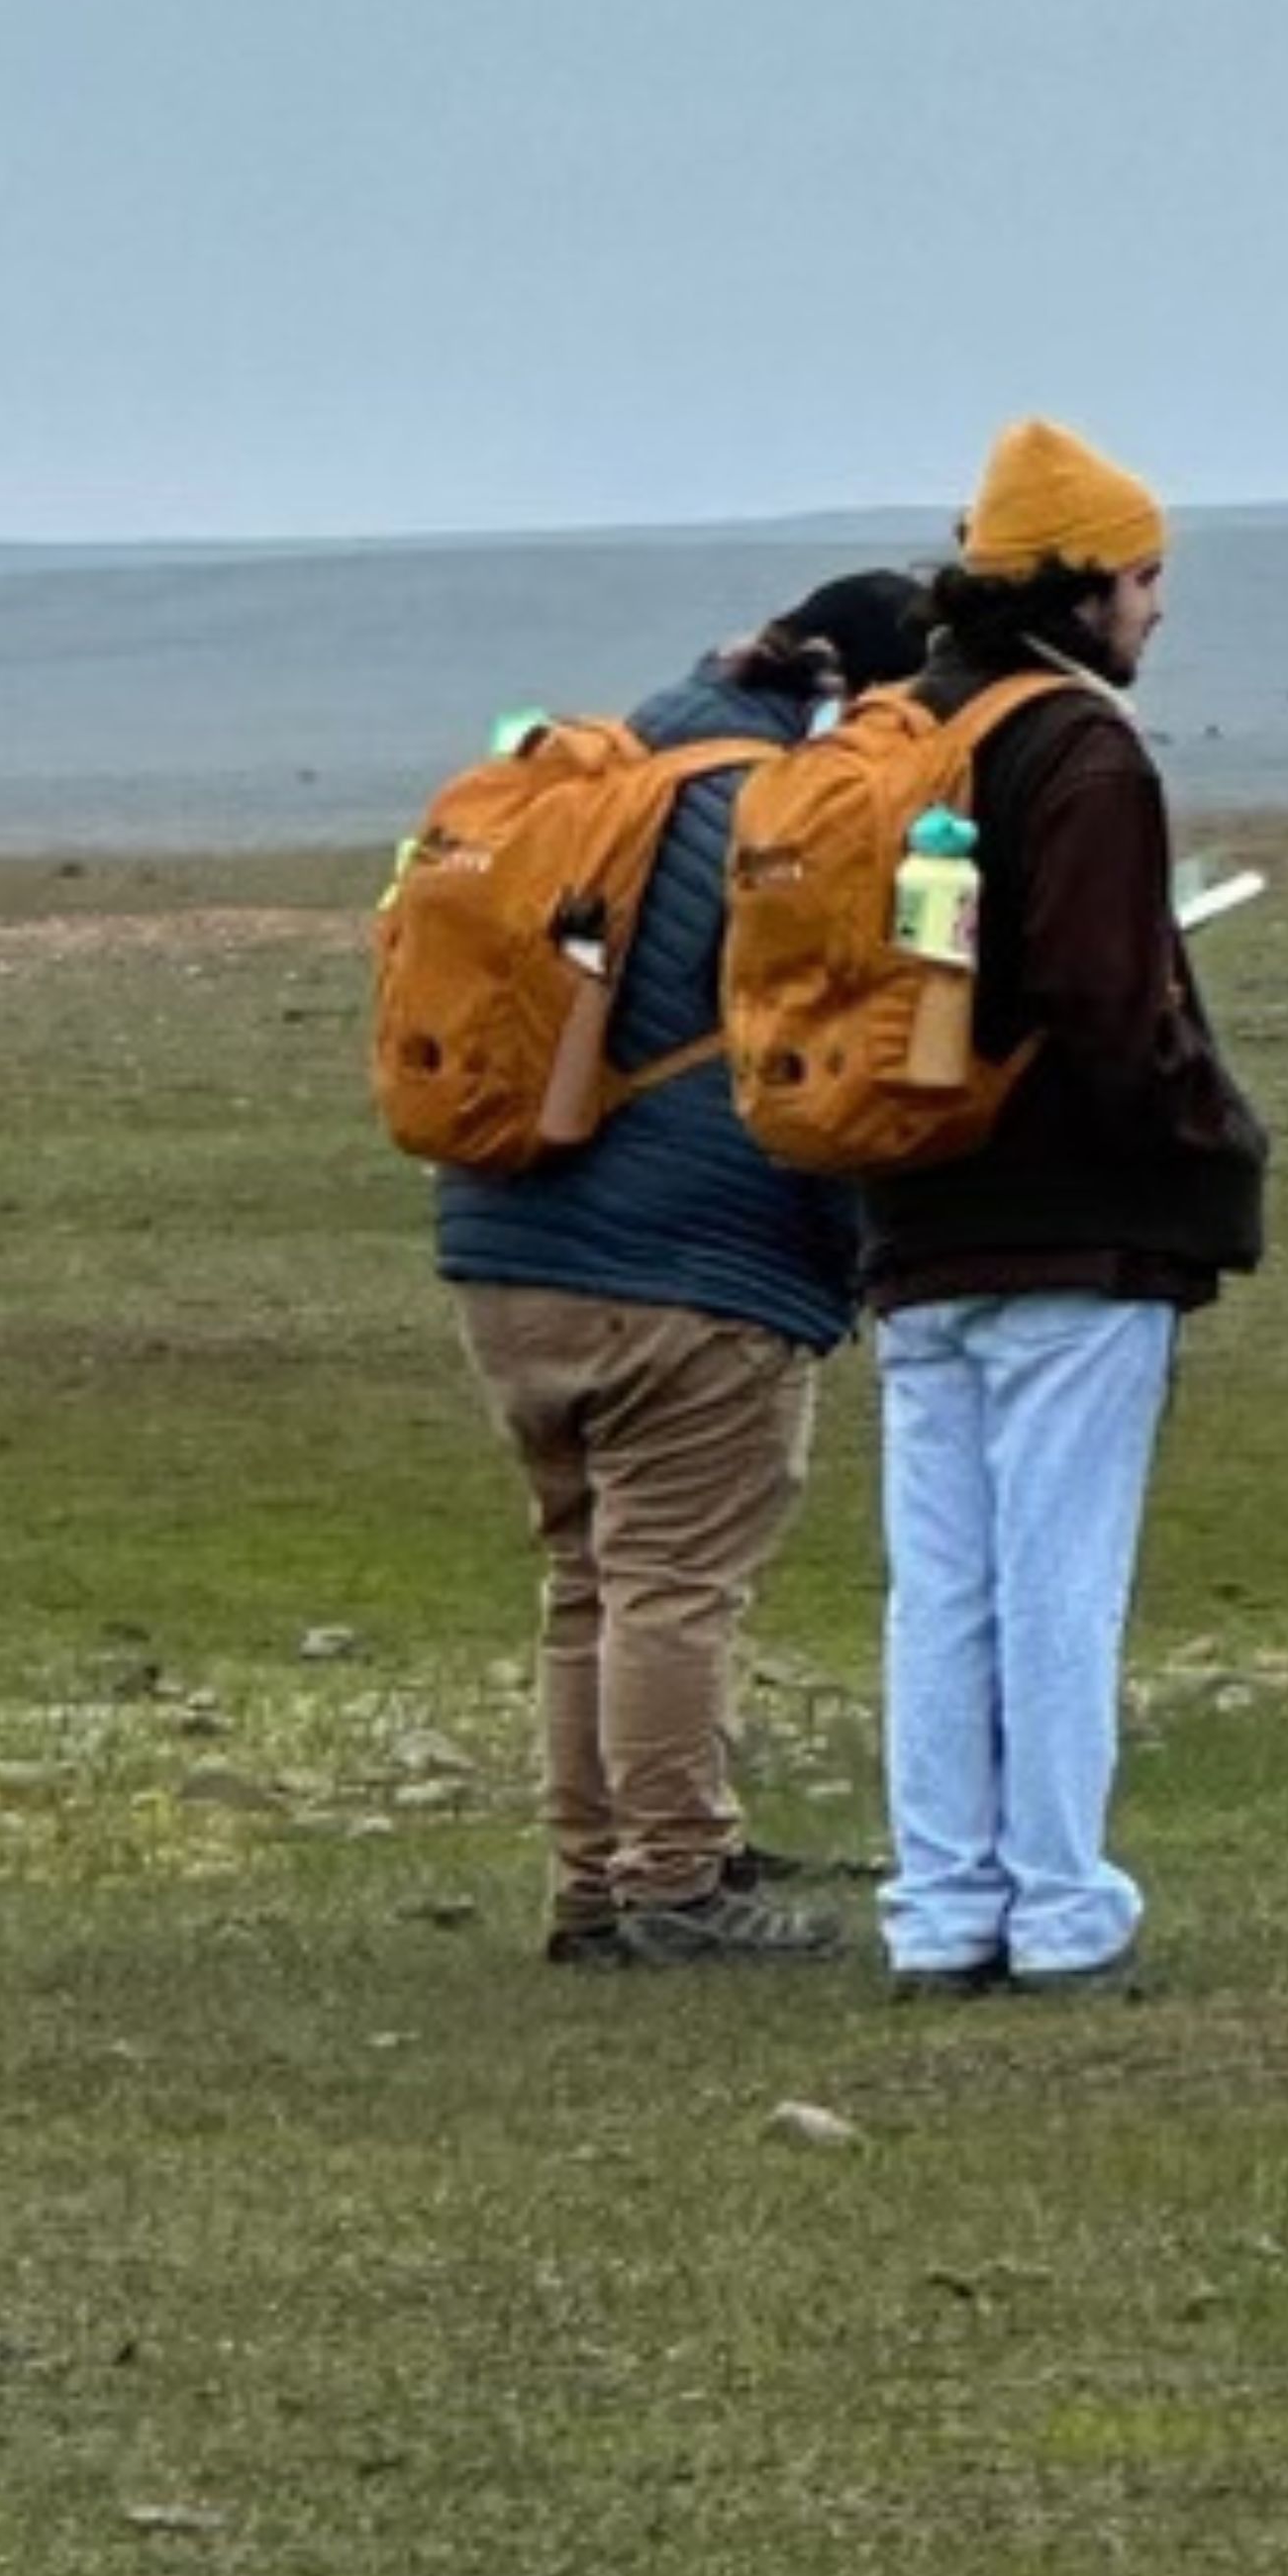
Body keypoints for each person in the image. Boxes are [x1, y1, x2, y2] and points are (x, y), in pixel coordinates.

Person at [436, 566, 934, 1971]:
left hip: (504, 1241)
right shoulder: (776, 816)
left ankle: (598, 1880)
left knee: (591, 1575)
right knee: (674, 1579)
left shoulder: (609, 778)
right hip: (690, 1259)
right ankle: (677, 1880)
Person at [866, 418, 1269, 2000]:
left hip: (910, 1217)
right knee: (1057, 1575)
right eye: (1149, 577)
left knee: (941, 1585)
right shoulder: (1080, 750)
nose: (1158, 608)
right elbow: (1113, 1008)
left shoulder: (898, 733)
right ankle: (1061, 1907)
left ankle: (940, 1904)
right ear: (1087, 584)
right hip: (1072, 1237)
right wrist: (1209, 1138)